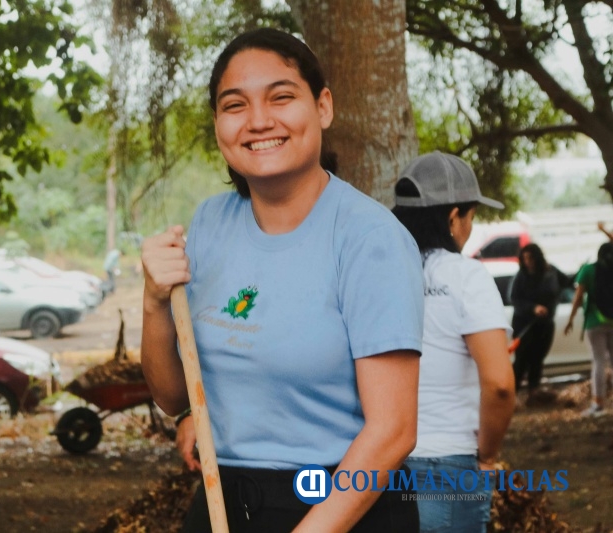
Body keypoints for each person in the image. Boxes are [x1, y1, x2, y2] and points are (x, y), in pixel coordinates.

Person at [140, 27, 424, 533]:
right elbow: (173, 398)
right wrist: (153, 302)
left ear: (323, 108)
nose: (259, 121)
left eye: (281, 97)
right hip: (223, 499)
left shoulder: (369, 238)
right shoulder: (208, 223)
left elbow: (393, 431)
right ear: (218, 124)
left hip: (338, 505)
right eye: (235, 105)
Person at [392, 151, 516, 533]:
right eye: (471, 217)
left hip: (382, 462)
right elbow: (498, 385)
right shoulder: (466, 276)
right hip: (449, 463)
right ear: (452, 217)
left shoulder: (380, 274)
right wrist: (489, 455)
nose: (469, 228)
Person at [565, 241, 613, 417]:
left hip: (594, 322)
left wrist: (570, 320)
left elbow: (578, 297)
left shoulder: (588, 270)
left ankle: (598, 404)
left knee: (599, 361)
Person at [509, 243, 562, 397]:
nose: (527, 262)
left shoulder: (549, 272)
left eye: (530, 258)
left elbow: (567, 282)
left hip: (544, 325)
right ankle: (513, 393)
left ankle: (534, 391)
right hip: (524, 325)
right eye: (524, 258)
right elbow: (514, 299)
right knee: (521, 361)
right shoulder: (520, 276)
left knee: (537, 359)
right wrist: (533, 308)